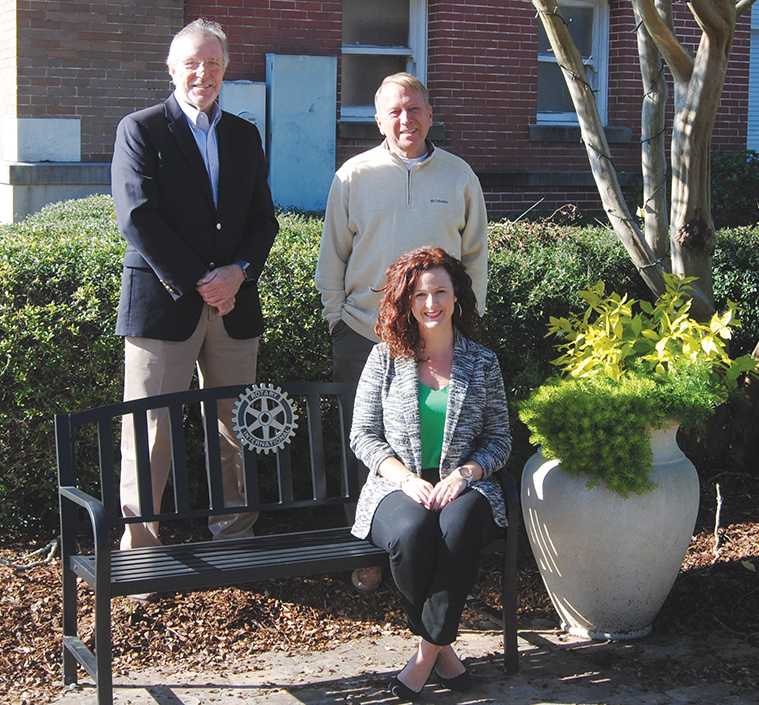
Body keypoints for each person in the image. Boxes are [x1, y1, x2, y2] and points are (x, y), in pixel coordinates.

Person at [110, 19, 278, 559]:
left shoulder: (244, 135)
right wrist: (202, 282)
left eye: (213, 63)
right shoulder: (140, 128)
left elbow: (263, 219)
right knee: (150, 430)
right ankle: (140, 548)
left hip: (234, 302)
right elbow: (137, 217)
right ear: (172, 69)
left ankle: (235, 538)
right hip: (165, 304)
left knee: (239, 427)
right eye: (191, 63)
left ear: (226, 69)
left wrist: (239, 272)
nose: (202, 73)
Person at [349, 247, 511, 701]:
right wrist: (404, 478)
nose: (431, 303)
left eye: (441, 291)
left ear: (457, 294)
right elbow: (362, 435)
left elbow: (500, 438)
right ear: (407, 301)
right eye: (420, 295)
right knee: (412, 533)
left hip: (468, 485)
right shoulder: (385, 359)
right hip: (396, 484)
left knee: (456, 530)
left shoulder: (482, 363)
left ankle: (423, 655)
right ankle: (445, 652)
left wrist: (465, 473)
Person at [315, 73, 489, 387]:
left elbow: (475, 258)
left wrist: (465, 324)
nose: (406, 119)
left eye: (414, 109)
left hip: (440, 336)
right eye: (395, 112)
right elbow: (333, 256)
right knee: (362, 435)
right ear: (379, 122)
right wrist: (337, 323)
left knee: (436, 435)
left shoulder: (460, 176)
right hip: (363, 336)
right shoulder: (353, 176)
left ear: (430, 115)